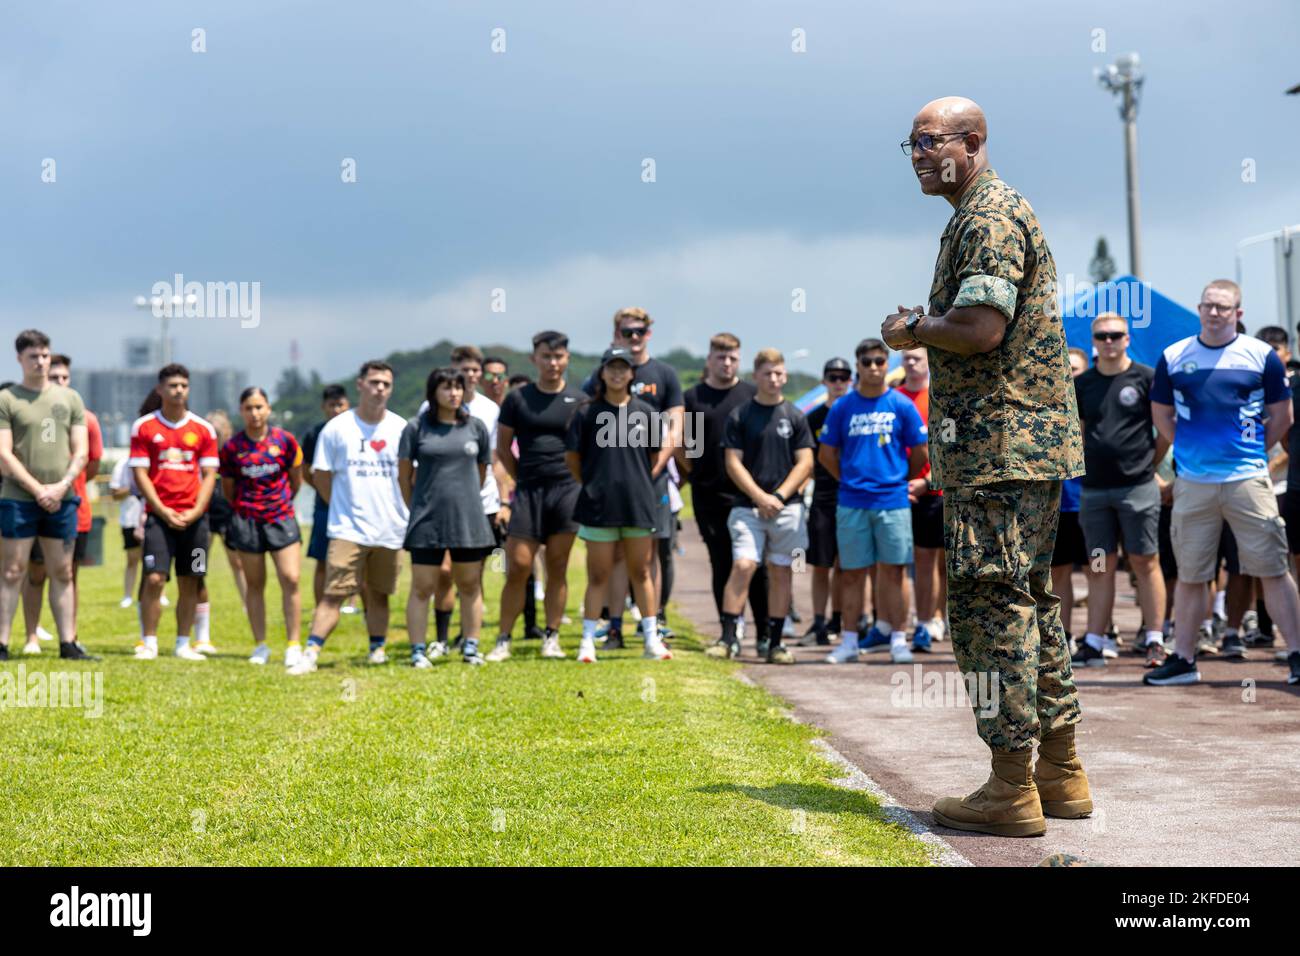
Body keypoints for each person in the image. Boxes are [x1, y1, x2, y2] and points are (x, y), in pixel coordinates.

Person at [883, 96, 1089, 835]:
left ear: (971, 143)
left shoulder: (986, 216)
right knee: (1032, 606)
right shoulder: (984, 212)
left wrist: (913, 328)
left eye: (928, 141)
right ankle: (1059, 774)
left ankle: (1011, 787)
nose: (915, 155)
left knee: (989, 613)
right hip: (1015, 447)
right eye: (907, 143)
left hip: (998, 450)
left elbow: (979, 329)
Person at [1146, 279, 1300, 686]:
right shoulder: (1175, 356)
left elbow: (1282, 417)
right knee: (1193, 573)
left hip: (1248, 479)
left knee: (1272, 567)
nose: (1214, 313)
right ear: (1199, 309)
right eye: (1208, 306)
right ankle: (1183, 658)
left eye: (1223, 308)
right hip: (1193, 483)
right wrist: (1190, 447)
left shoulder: (1261, 356)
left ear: (1238, 313)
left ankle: (1297, 654)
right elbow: (1161, 414)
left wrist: (1250, 454)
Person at [290, 360, 408, 675]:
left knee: (379, 593)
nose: (380, 388)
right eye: (374, 382)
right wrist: (342, 507)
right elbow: (321, 476)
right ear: (360, 385)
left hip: (389, 527)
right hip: (348, 528)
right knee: (334, 593)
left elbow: (409, 477)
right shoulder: (338, 428)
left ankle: (377, 648)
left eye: (386, 383)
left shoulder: (400, 428)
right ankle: (311, 651)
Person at [819, 339, 929, 665]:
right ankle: (849, 640)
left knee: (894, 571)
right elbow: (826, 454)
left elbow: (921, 451)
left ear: (886, 364)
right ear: (858, 365)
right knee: (852, 573)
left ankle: (898, 639)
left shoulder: (901, 405)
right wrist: (849, 480)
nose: (873, 367)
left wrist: (896, 481)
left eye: (879, 361)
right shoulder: (842, 407)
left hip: (892, 501)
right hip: (852, 501)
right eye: (867, 362)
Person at [1070, 313, 1169, 669]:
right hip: (1095, 490)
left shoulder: (1146, 378)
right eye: (1102, 336)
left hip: (1137, 487)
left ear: (1127, 339)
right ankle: (1095, 640)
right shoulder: (1083, 384)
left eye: (1115, 335)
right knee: (1099, 566)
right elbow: (1078, 434)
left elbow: (1164, 432)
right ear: (1094, 340)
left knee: (1145, 560)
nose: (1109, 341)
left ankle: (1155, 638)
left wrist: (1148, 467)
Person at [583, 308, 684, 649]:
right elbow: (586, 430)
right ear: (616, 334)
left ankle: (653, 625)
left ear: (649, 334)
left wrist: (654, 469)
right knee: (611, 557)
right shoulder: (598, 380)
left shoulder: (666, 374)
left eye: (640, 331)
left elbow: (676, 426)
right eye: (628, 332)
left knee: (654, 554)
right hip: (610, 483)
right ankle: (614, 625)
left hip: (652, 478)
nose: (635, 337)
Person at [706, 348, 814, 664]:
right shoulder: (740, 415)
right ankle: (727, 639)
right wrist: (759, 496)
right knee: (743, 566)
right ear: (756, 377)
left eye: (779, 373)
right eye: (767, 373)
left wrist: (779, 496)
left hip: (787, 509)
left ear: (785, 376)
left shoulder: (795, 415)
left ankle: (776, 642)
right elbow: (732, 462)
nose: (774, 379)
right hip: (747, 507)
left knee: (782, 572)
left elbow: (805, 462)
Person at [565, 348, 673, 663]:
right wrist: (594, 484)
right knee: (598, 574)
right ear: (602, 373)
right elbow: (573, 459)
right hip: (598, 506)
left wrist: (636, 481)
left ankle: (652, 638)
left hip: (638, 503)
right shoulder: (586, 413)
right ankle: (587, 640)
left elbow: (655, 457)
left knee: (641, 571)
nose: (616, 374)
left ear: (631, 374)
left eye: (622, 368)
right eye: (610, 368)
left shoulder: (647, 412)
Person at [0, 330, 96, 661]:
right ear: (19, 359)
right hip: (19, 498)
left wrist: (60, 486)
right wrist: (37, 489)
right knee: (13, 571)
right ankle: (2, 643)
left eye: (44, 354)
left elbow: (81, 451)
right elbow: (4, 453)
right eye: (33, 356)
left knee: (63, 571)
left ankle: (68, 643)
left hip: (62, 498)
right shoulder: (8, 399)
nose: (40, 361)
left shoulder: (70, 399)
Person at [489, 331, 584, 662]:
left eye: (558, 356)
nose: (552, 363)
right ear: (534, 359)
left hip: (566, 492)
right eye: (546, 356)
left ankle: (552, 636)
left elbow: (586, 449)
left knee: (558, 567)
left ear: (567, 359)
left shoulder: (579, 400)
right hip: (528, 491)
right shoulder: (518, 399)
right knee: (518, 566)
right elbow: (503, 448)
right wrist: (520, 479)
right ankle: (503, 638)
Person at [679, 333, 770, 650]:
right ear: (709, 360)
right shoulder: (692, 398)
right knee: (721, 562)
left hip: (748, 494)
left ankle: (765, 633)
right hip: (709, 494)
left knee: (755, 564)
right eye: (720, 357)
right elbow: (683, 447)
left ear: (739, 360)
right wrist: (698, 475)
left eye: (732, 357)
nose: (727, 363)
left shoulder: (751, 394)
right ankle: (728, 631)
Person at [400, 368, 496, 666]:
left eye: (458, 387)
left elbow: (481, 473)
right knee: (422, 587)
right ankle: (418, 650)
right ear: (433, 392)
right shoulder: (416, 429)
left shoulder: (476, 427)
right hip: (427, 521)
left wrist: (464, 500)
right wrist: (417, 507)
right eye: (446, 388)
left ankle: (470, 646)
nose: (453, 393)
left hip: (468, 521)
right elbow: (404, 478)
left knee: (470, 585)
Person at [129, 364, 220, 661]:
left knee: (191, 578)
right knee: (154, 578)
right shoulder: (144, 427)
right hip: (159, 517)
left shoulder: (203, 429)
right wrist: (162, 510)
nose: (178, 390)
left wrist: (196, 511)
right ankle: (149, 642)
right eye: (172, 385)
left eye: (183, 385)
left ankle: (184, 642)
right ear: (160, 390)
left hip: (195, 520)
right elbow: (141, 475)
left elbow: (209, 475)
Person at [20, 353, 102, 654]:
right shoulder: (30, 414)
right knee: (34, 572)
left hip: (73, 509)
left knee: (68, 575)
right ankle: (31, 636)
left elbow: (91, 465)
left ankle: (70, 637)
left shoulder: (86, 418)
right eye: (55, 378)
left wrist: (67, 487)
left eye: (65, 378)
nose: (61, 382)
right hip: (34, 505)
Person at [428, 346, 506, 651]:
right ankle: (442, 637)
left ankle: (467, 636)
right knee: (445, 571)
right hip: (442, 504)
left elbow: (498, 459)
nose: (470, 375)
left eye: (476, 370)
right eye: (464, 369)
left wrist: (503, 500)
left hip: (481, 503)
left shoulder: (490, 410)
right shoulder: (429, 409)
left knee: (472, 575)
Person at [221, 387, 304, 666]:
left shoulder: (286, 441)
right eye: (248, 408)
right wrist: (247, 508)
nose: (254, 413)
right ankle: (261, 645)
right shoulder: (232, 448)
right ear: (241, 411)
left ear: (268, 409)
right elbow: (228, 488)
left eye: (259, 407)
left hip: (281, 517)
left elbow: (295, 479)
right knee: (254, 584)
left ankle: (293, 644)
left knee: (291, 579)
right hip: (247, 521)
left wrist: (280, 502)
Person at [796, 358, 851, 647]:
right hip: (823, 495)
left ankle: (839, 619)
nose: (839, 382)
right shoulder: (813, 418)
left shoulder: (855, 412)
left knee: (846, 564)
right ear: (824, 381)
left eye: (844, 377)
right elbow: (805, 461)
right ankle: (818, 620)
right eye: (833, 377)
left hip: (852, 494)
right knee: (820, 563)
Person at [896, 346, 947, 649]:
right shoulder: (894, 398)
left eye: (917, 359)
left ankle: (937, 617)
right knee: (917, 561)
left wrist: (926, 481)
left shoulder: (939, 396)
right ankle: (917, 622)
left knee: (942, 562)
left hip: (936, 490)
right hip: (901, 491)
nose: (912, 363)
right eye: (907, 359)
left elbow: (949, 447)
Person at [1051, 349, 1090, 653]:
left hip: (1090, 502)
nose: (1071, 374)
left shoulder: (1093, 405)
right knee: (1059, 572)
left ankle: (1099, 633)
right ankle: (1063, 637)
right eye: (1066, 368)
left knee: (1098, 570)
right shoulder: (1048, 405)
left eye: (1076, 369)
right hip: (1059, 505)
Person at [300, 385, 352, 606]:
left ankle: (353, 604)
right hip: (324, 506)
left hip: (354, 506)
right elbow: (306, 470)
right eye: (332, 405)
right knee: (322, 559)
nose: (336, 410)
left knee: (356, 558)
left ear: (347, 405)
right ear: (324, 407)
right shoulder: (315, 434)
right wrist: (326, 492)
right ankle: (320, 606)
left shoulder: (356, 430)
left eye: (340, 405)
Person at [109, 454, 145, 608]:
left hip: (149, 518)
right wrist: (133, 487)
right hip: (129, 519)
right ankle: (128, 596)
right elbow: (115, 494)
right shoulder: (122, 464)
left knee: (153, 560)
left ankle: (156, 595)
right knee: (132, 559)